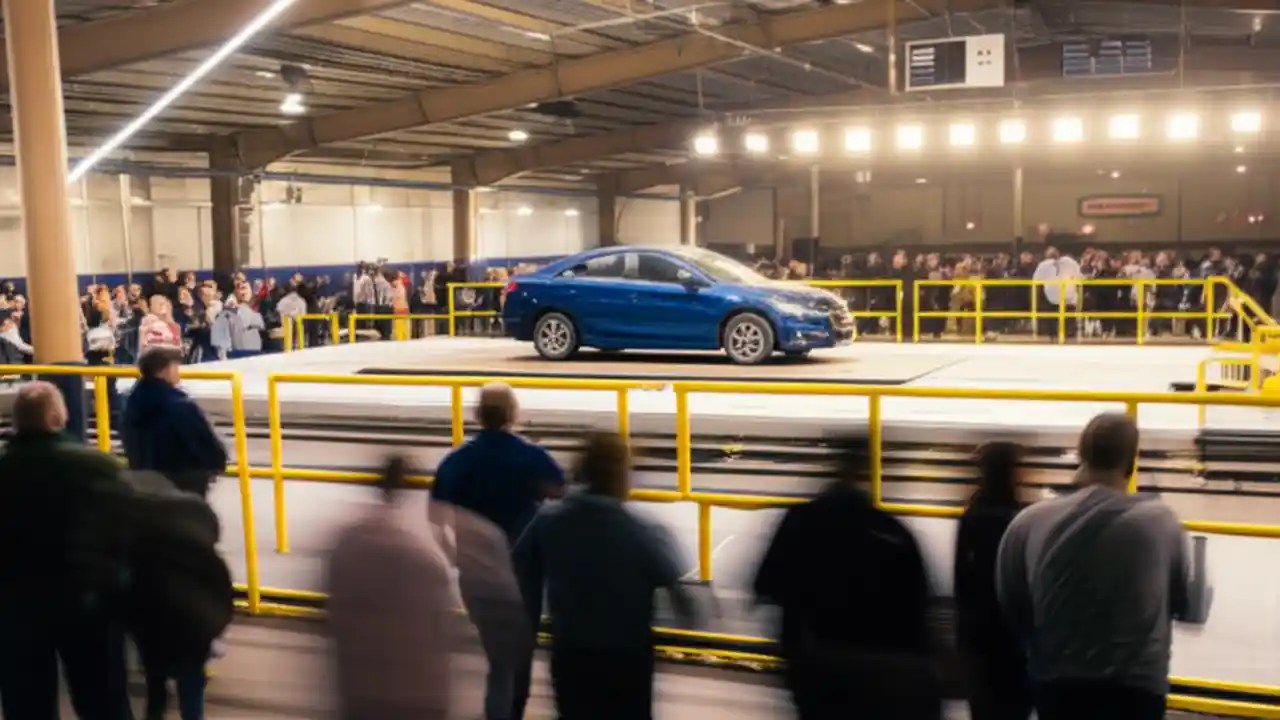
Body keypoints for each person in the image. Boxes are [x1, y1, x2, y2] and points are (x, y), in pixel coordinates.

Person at [997, 413, 1211, 720]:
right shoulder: (1160, 522)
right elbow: (1187, 607)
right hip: (1136, 691)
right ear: (1130, 464)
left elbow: (1012, 606)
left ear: (1081, 455)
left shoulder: (1028, 523)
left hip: (1058, 688)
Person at [754, 436, 940, 720]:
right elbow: (918, 613)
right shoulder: (892, 533)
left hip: (815, 665)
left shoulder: (800, 522)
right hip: (875, 673)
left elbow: (766, 585)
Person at [514, 433, 697, 720]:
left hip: (571, 652)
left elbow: (521, 568)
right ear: (623, 475)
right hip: (627, 658)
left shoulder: (549, 521)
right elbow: (686, 604)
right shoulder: (643, 531)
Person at [0, 382, 134, 719]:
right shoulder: (100, 466)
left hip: (17, 605)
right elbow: (126, 534)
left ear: (16, 423)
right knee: (104, 700)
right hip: (91, 600)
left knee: (26, 703)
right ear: (60, 416)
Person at [432, 383, 565, 720]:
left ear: (477, 415)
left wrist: (453, 556)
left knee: (499, 657)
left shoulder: (458, 460)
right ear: (513, 414)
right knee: (514, 662)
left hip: (475, 576)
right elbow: (563, 495)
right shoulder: (532, 457)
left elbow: (435, 518)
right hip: (521, 578)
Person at [327, 456, 456, 720]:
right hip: (418, 690)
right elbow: (441, 625)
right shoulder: (425, 548)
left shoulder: (347, 541)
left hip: (360, 686)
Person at [125, 470, 233, 720]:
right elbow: (223, 595)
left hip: (152, 635)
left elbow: (127, 600)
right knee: (192, 689)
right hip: (195, 632)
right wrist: (213, 630)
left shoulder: (141, 557)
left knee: (156, 688)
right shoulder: (204, 555)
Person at [954, 442, 1031, 720]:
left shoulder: (973, 517)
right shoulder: (1021, 518)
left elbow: (962, 583)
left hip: (980, 642)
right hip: (1014, 643)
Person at [123, 347, 228, 498]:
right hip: (183, 478)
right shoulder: (178, 404)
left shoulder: (132, 401)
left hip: (144, 476)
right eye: (175, 367)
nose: (178, 371)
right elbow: (202, 441)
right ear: (164, 370)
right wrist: (217, 462)